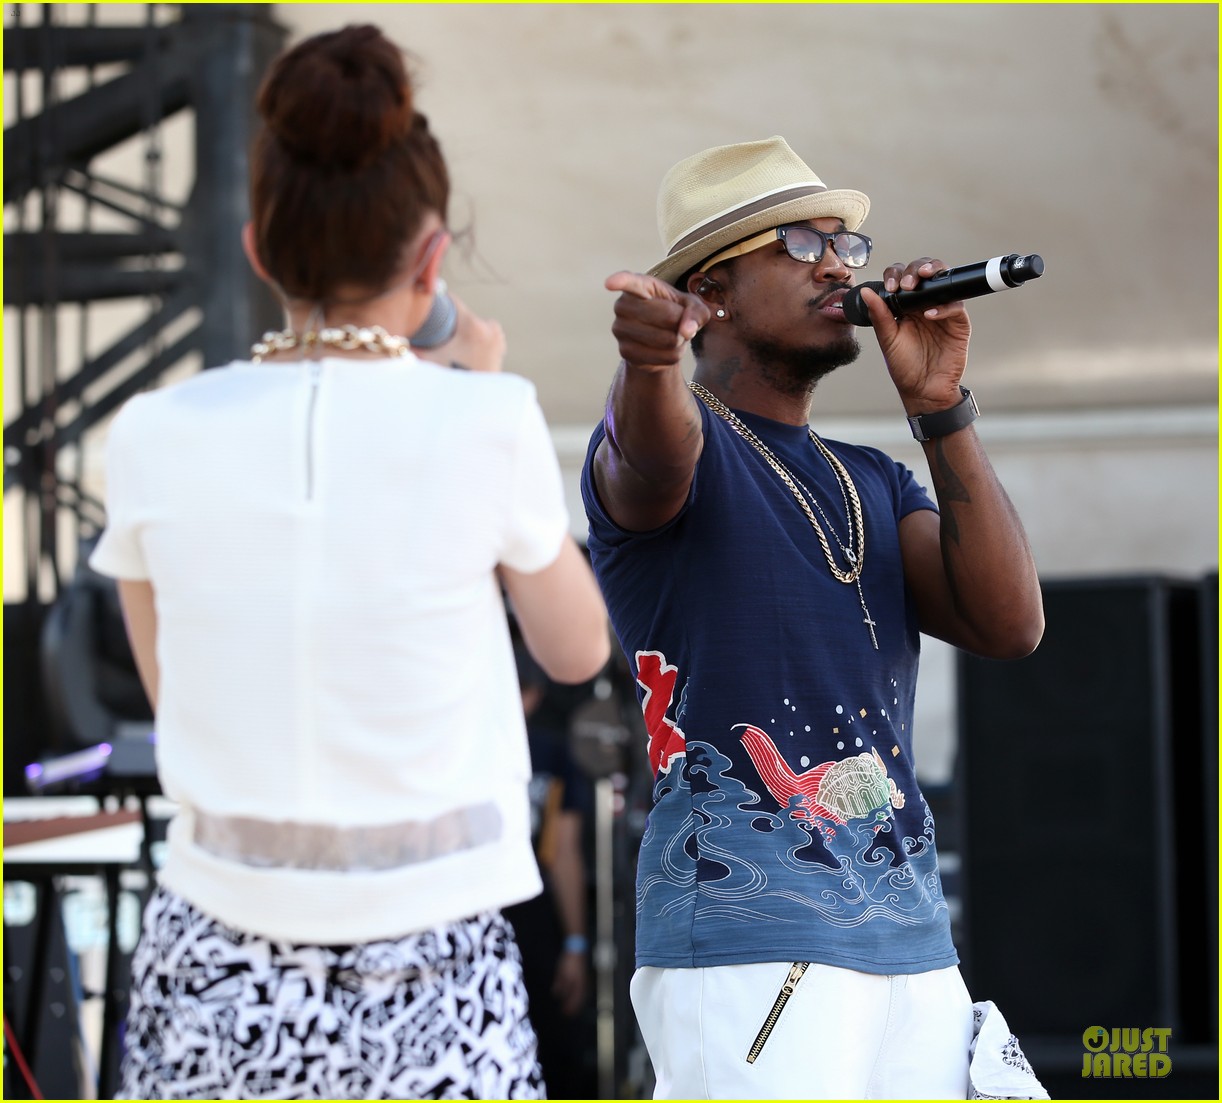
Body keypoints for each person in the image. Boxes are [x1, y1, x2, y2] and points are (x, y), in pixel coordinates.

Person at [88, 24, 609, 1100]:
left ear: (259, 250)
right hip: (435, 966)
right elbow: (575, 647)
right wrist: (477, 383)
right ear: (432, 259)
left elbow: (174, 693)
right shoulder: (487, 419)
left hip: (217, 963)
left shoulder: (151, 430)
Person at [579, 135, 1046, 1099]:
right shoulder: (673, 438)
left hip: (911, 942)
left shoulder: (870, 478)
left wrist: (941, 404)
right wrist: (650, 364)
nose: (838, 261)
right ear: (708, 292)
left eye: (847, 244)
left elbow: (1010, 623)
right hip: (750, 942)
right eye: (798, 242)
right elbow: (651, 457)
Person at [502, 638, 597, 1100]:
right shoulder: (550, 751)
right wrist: (575, 944)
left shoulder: (458, 751)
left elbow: (565, 850)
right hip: (533, 911)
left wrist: (575, 944)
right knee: (548, 1045)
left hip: (488, 909)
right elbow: (565, 854)